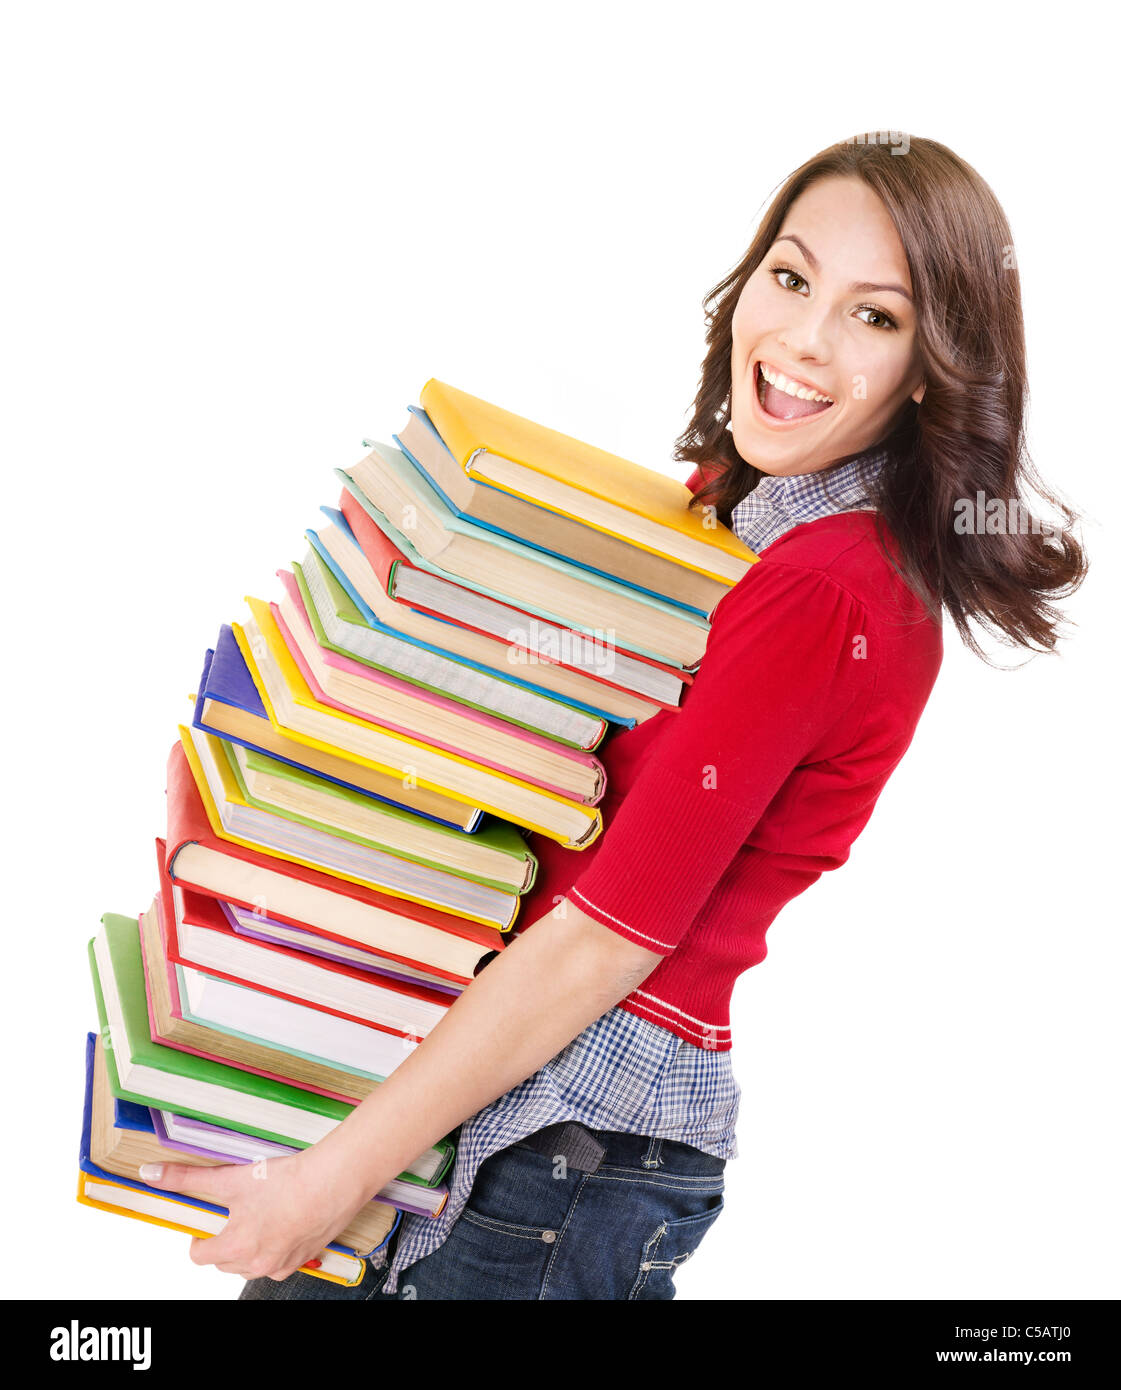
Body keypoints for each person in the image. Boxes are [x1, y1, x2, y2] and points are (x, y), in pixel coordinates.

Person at [140, 133, 1087, 1300]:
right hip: (513, 1104)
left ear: (932, 365)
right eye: (789, 279)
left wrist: (329, 1179)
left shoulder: (824, 586)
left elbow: (607, 937)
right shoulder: (739, 521)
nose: (798, 339)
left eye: (872, 317)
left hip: (555, 1143)